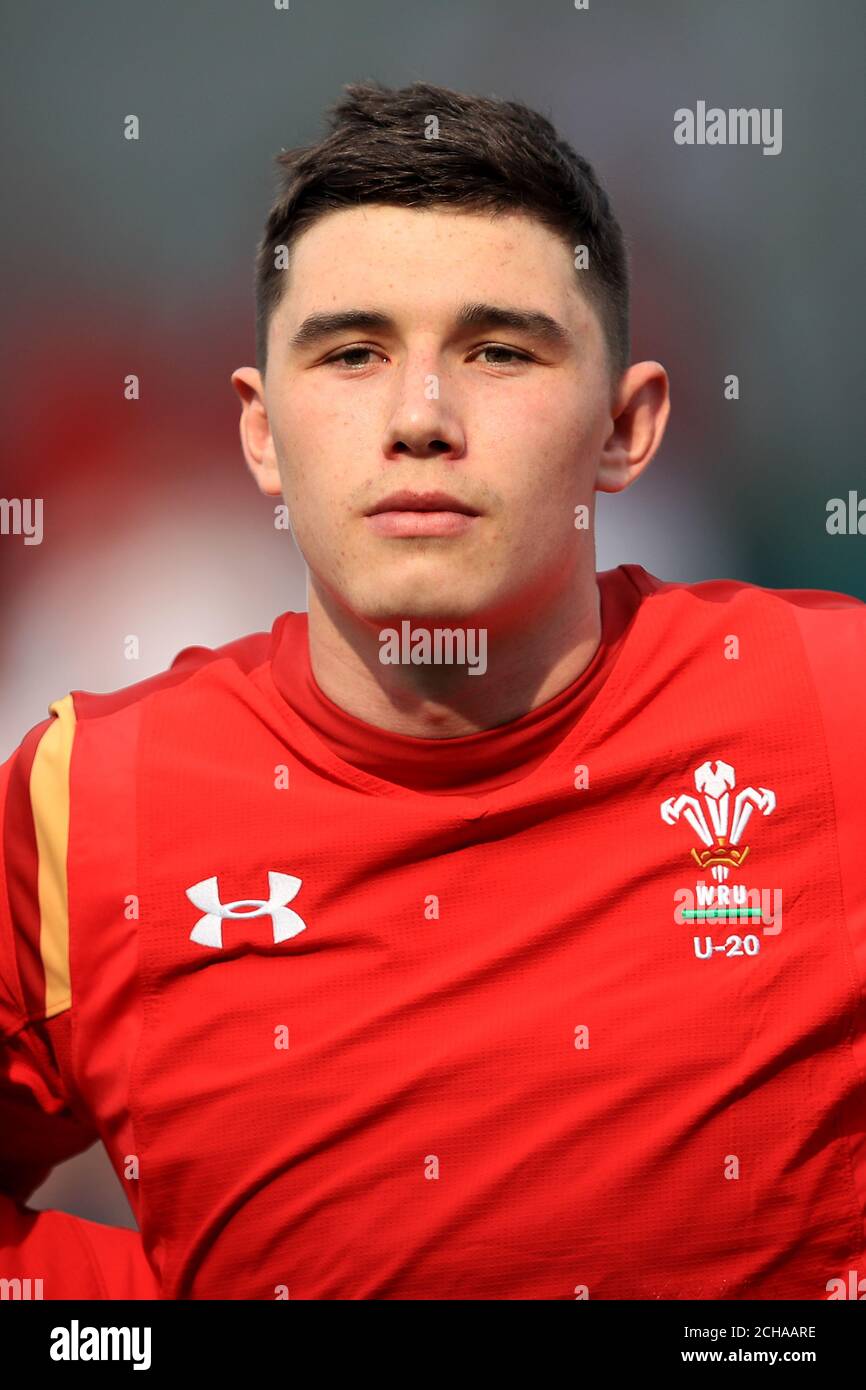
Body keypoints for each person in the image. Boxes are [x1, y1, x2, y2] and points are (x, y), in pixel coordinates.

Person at [1, 80, 864, 1301]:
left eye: (497, 350)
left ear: (626, 427)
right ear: (260, 436)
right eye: (352, 353)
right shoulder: (86, 801)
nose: (419, 418)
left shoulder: (835, 713)